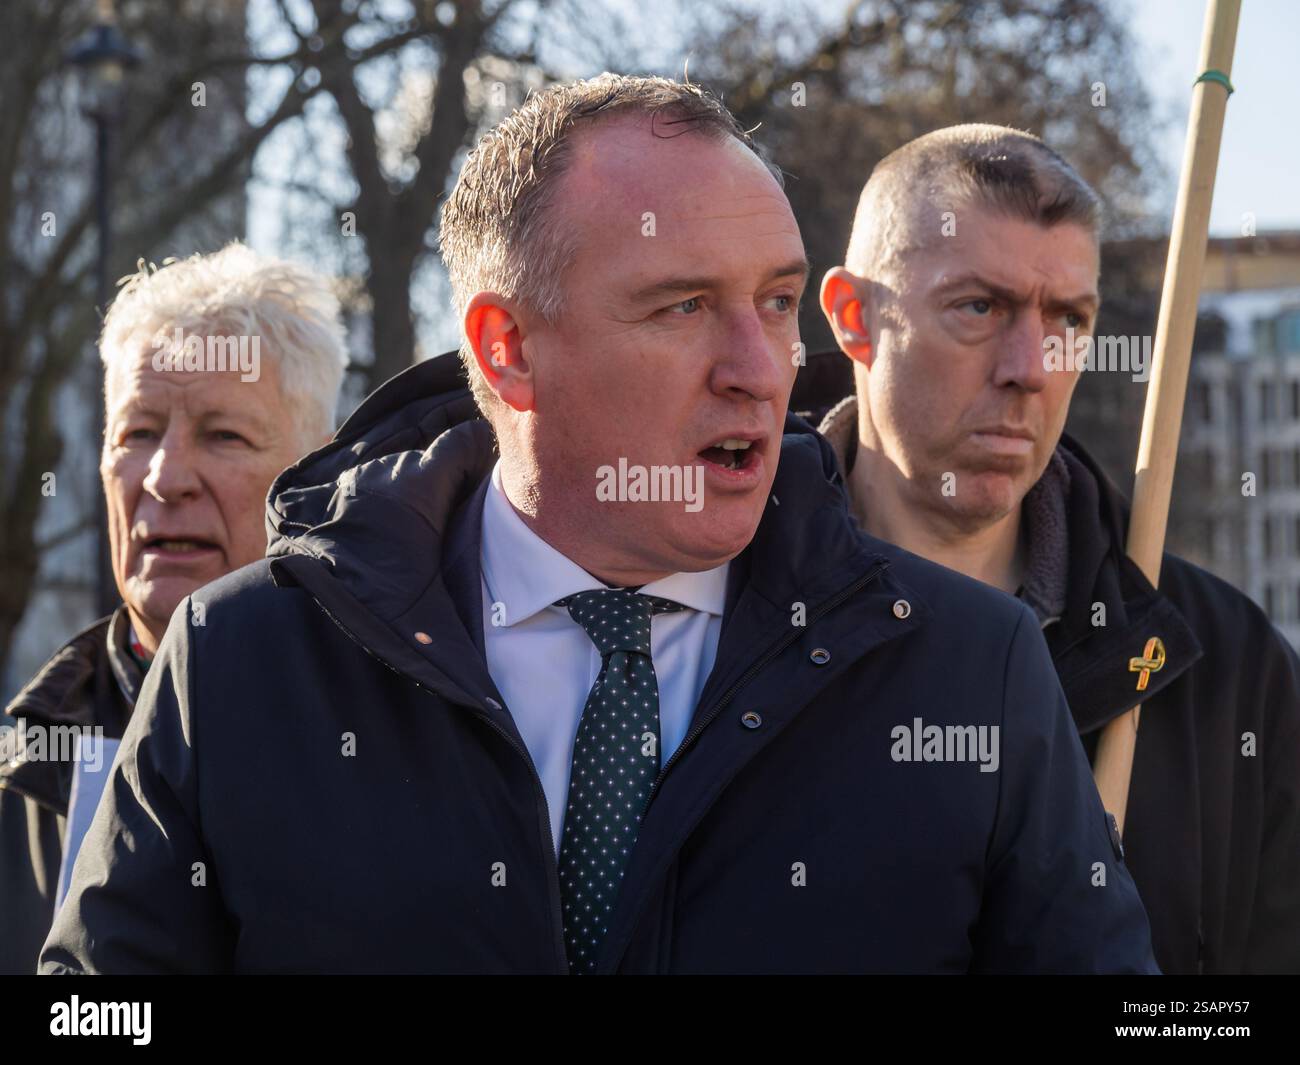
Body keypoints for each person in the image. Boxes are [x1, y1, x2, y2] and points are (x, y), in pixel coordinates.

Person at [42, 77, 1156, 974]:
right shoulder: (243, 662)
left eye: (775, 303)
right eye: (683, 307)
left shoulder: (971, 669)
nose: (762, 369)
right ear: (505, 348)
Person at [814, 123, 1300, 974]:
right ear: (857, 317)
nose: (1031, 367)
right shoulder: (712, 608)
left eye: (1067, 318)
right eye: (979, 307)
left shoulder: (1221, 667)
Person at [0, 242, 347, 973]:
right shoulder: (21, 775)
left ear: (318, 473)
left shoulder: (402, 750)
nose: (164, 475)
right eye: (137, 433)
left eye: (223, 434)